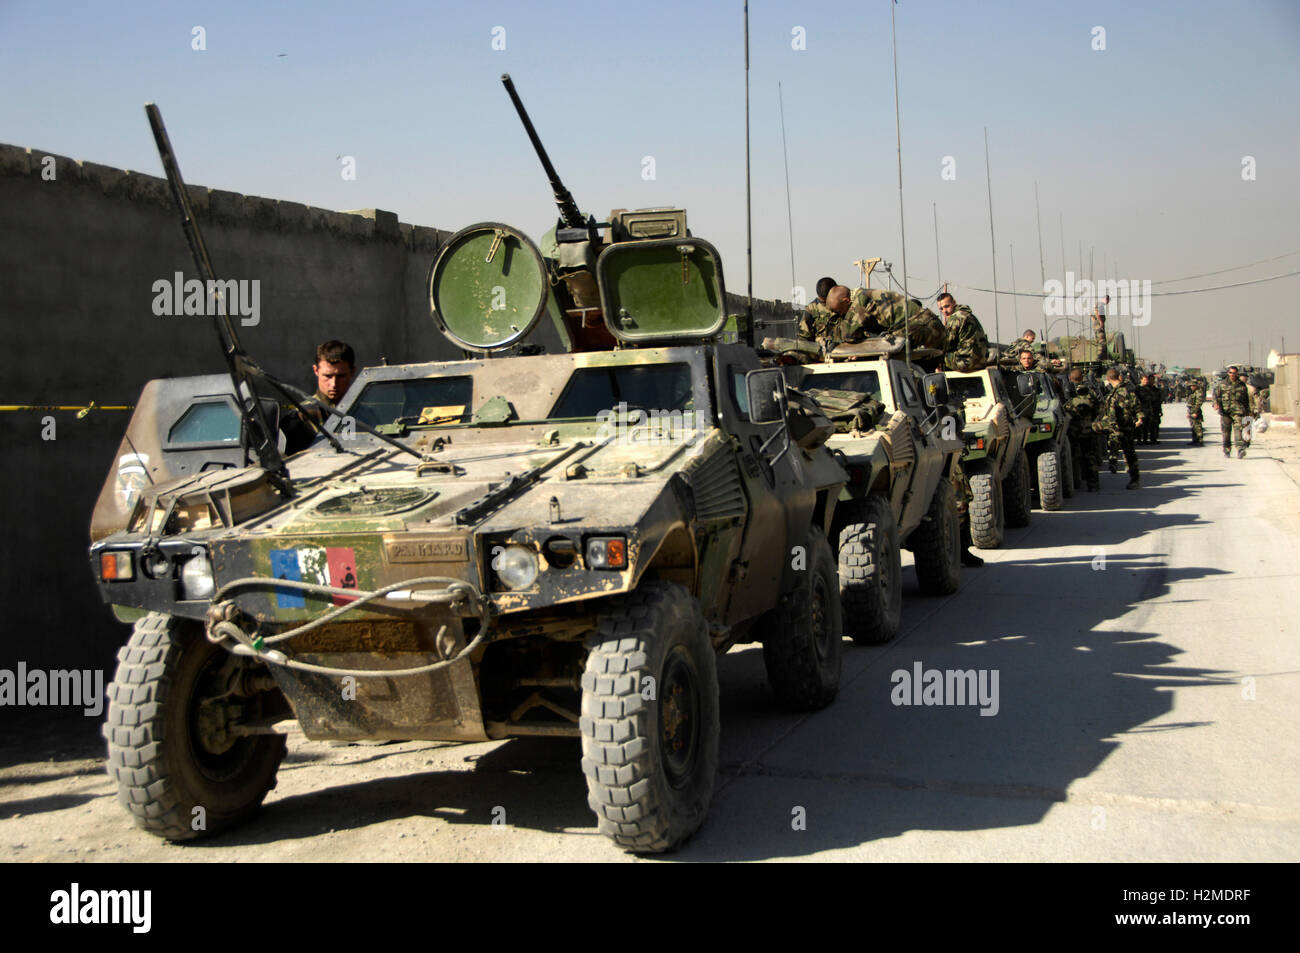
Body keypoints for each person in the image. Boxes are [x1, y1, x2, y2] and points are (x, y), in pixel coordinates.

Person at [281, 339, 356, 454]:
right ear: (316, 370)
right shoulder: (301, 417)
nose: (334, 384)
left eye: (341, 376)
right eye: (328, 376)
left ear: (352, 372)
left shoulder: (363, 412)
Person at [1097, 367, 1142, 488]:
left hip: (1120, 427)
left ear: (1108, 378)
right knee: (1128, 453)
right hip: (1122, 426)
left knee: (1129, 453)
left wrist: (1101, 425)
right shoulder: (1125, 390)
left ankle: (1135, 479)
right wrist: (1139, 418)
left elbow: (1112, 414)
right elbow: (1136, 405)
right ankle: (1134, 479)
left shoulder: (1118, 392)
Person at [1066, 368, 1101, 490]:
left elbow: (1064, 409)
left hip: (1073, 430)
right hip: (1088, 429)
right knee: (1090, 456)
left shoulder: (1068, 393)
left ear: (1070, 378)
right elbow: (1098, 410)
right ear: (1082, 378)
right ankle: (1093, 484)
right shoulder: (1091, 392)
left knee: (1073, 456)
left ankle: (1075, 482)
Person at [936, 292, 989, 372]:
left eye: (947, 306)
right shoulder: (968, 315)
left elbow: (945, 343)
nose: (944, 311)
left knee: (936, 357)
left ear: (954, 303)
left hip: (966, 362)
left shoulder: (956, 317)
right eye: (941, 309)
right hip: (981, 361)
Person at [1212, 365, 1252, 458]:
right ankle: (1227, 450)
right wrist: (1215, 404)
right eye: (1230, 373)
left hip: (1238, 411)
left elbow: (1246, 400)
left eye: (1234, 373)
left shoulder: (1241, 385)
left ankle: (1240, 449)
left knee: (1238, 429)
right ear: (1228, 373)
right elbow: (1216, 396)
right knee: (1226, 432)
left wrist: (1247, 412)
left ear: (1237, 373)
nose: (1232, 374)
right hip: (1225, 411)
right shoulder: (1222, 384)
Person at [1137, 373, 1163, 444]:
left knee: (1149, 425)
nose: (1147, 381)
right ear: (1141, 380)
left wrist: (1160, 410)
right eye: (1145, 380)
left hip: (1150, 410)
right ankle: (1140, 440)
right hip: (1141, 410)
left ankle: (1148, 439)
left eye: (1147, 380)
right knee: (1141, 426)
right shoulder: (1138, 389)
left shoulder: (1151, 389)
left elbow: (1157, 400)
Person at [1186, 378, 1205, 446]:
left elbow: (1199, 403)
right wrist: (1188, 412)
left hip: (1196, 411)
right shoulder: (1192, 392)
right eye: (1191, 386)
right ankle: (1195, 440)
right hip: (1191, 411)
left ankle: (1200, 440)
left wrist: (1195, 412)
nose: (1191, 387)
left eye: (1193, 385)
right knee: (1193, 426)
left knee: (1197, 426)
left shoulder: (1199, 392)